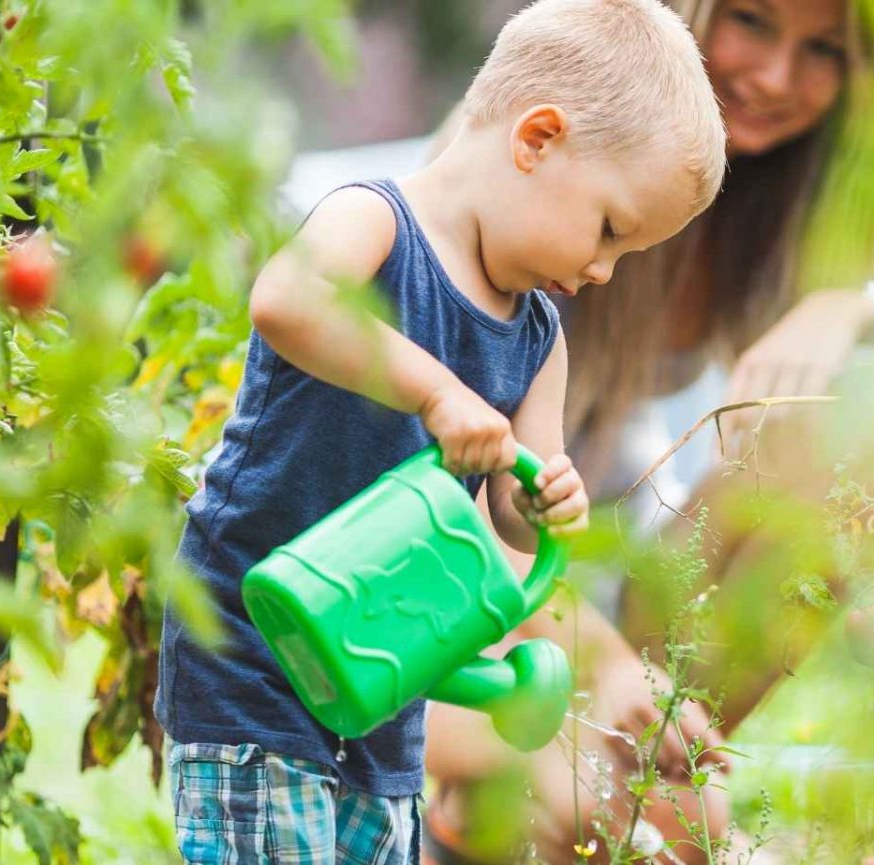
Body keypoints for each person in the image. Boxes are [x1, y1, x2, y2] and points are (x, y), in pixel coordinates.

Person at [423, 0, 874, 862]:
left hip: (607, 599)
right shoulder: (537, 150)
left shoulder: (814, 193)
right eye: (750, 20)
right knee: (634, 819)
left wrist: (852, 306)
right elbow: (448, 488)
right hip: (466, 589)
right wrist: (596, 659)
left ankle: (642, 774)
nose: (775, 77)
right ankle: (527, 810)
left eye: (822, 50)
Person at [153, 0, 727, 860]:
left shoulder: (538, 342)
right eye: (609, 229)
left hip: (385, 681)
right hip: (254, 656)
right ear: (537, 138)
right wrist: (434, 393)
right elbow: (285, 299)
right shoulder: (374, 224)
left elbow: (516, 519)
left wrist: (552, 501)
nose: (605, 270)